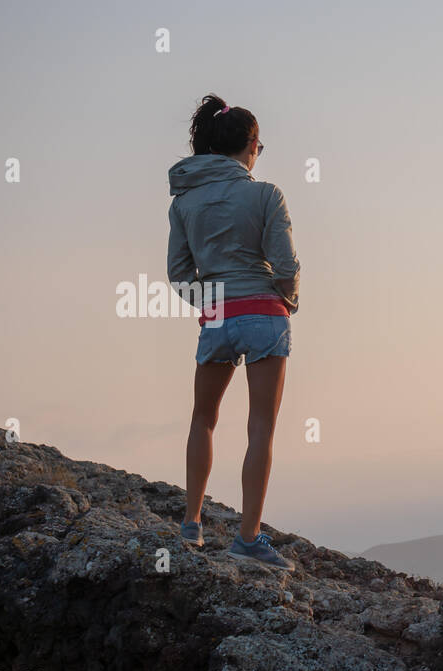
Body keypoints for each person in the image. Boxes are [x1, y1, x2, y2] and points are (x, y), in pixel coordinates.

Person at [167, 94, 300, 570]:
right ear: (249, 146)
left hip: (218, 315)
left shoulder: (184, 202)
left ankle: (191, 524)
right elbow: (284, 265)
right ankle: (247, 538)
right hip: (265, 312)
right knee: (260, 427)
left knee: (203, 418)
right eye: (259, 144)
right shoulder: (265, 195)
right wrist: (290, 298)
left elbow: (178, 272)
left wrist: (211, 302)